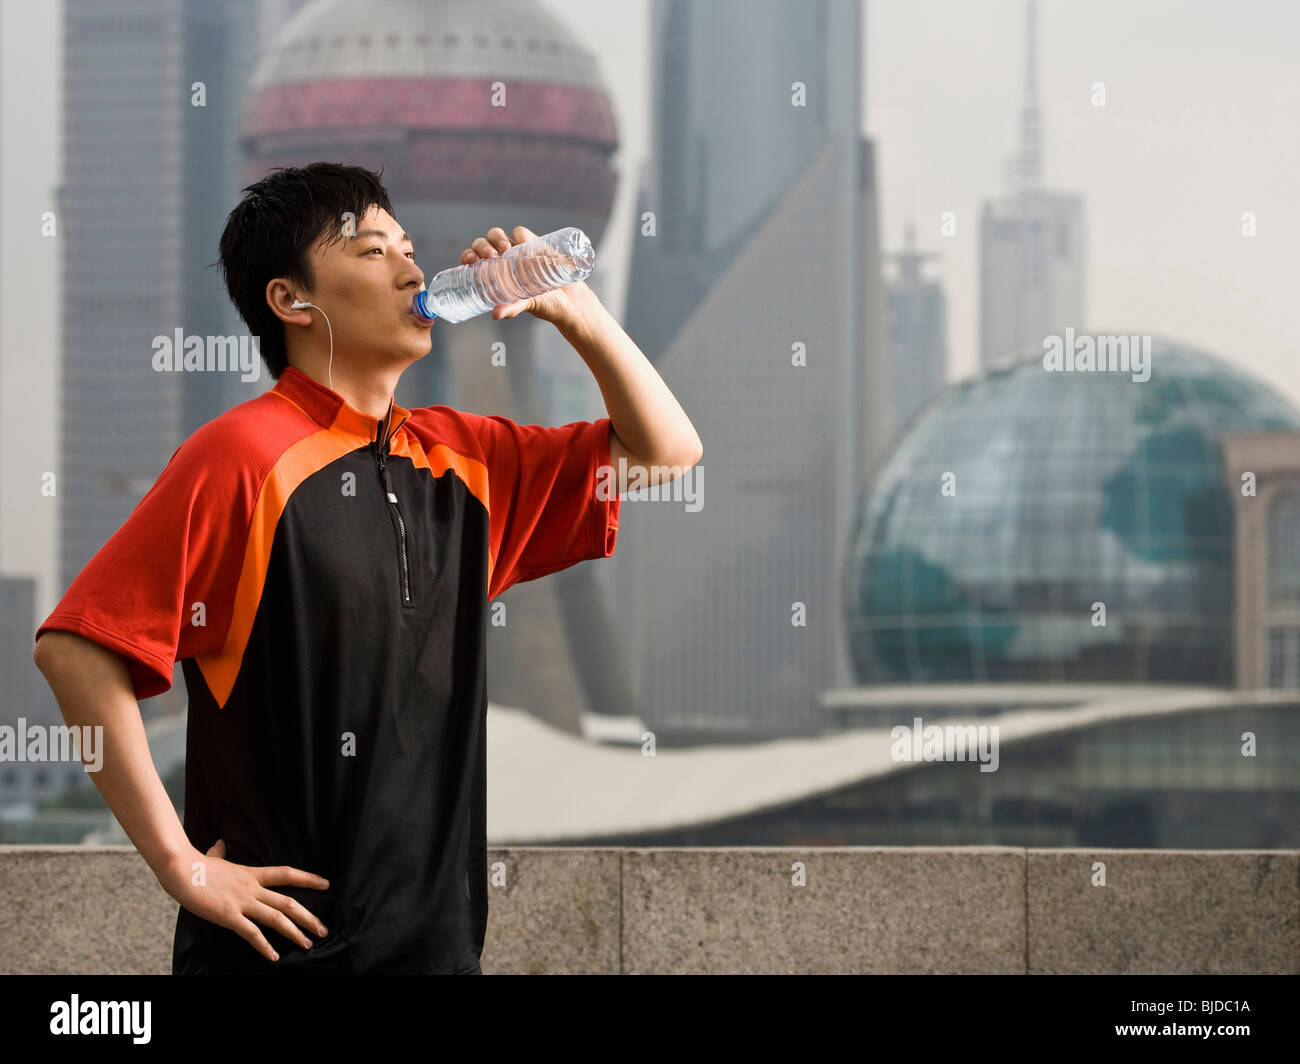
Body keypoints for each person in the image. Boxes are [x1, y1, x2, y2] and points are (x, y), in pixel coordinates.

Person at [33, 162, 702, 974]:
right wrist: (184, 867)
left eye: (410, 248)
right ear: (292, 301)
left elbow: (667, 454)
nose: (413, 269)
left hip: (437, 955)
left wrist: (578, 313)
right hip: (274, 955)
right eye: (372, 251)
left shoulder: (466, 458)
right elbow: (76, 646)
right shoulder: (241, 456)